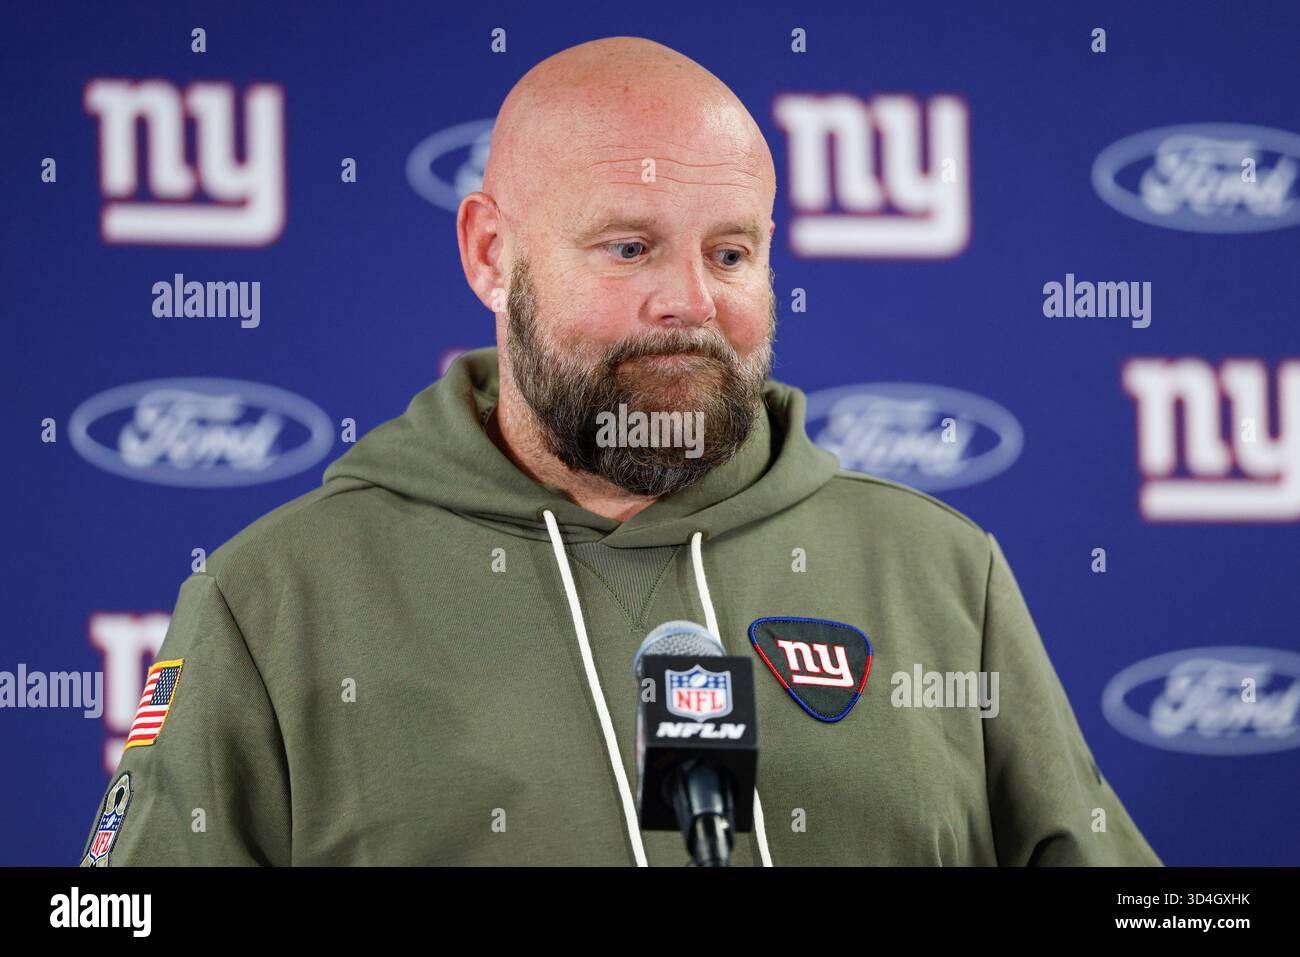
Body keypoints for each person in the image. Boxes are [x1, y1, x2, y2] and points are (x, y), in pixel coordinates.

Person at [78, 35, 1161, 867]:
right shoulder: (273, 600)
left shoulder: (940, 570)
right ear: (491, 253)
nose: (688, 303)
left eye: (729, 252)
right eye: (628, 246)